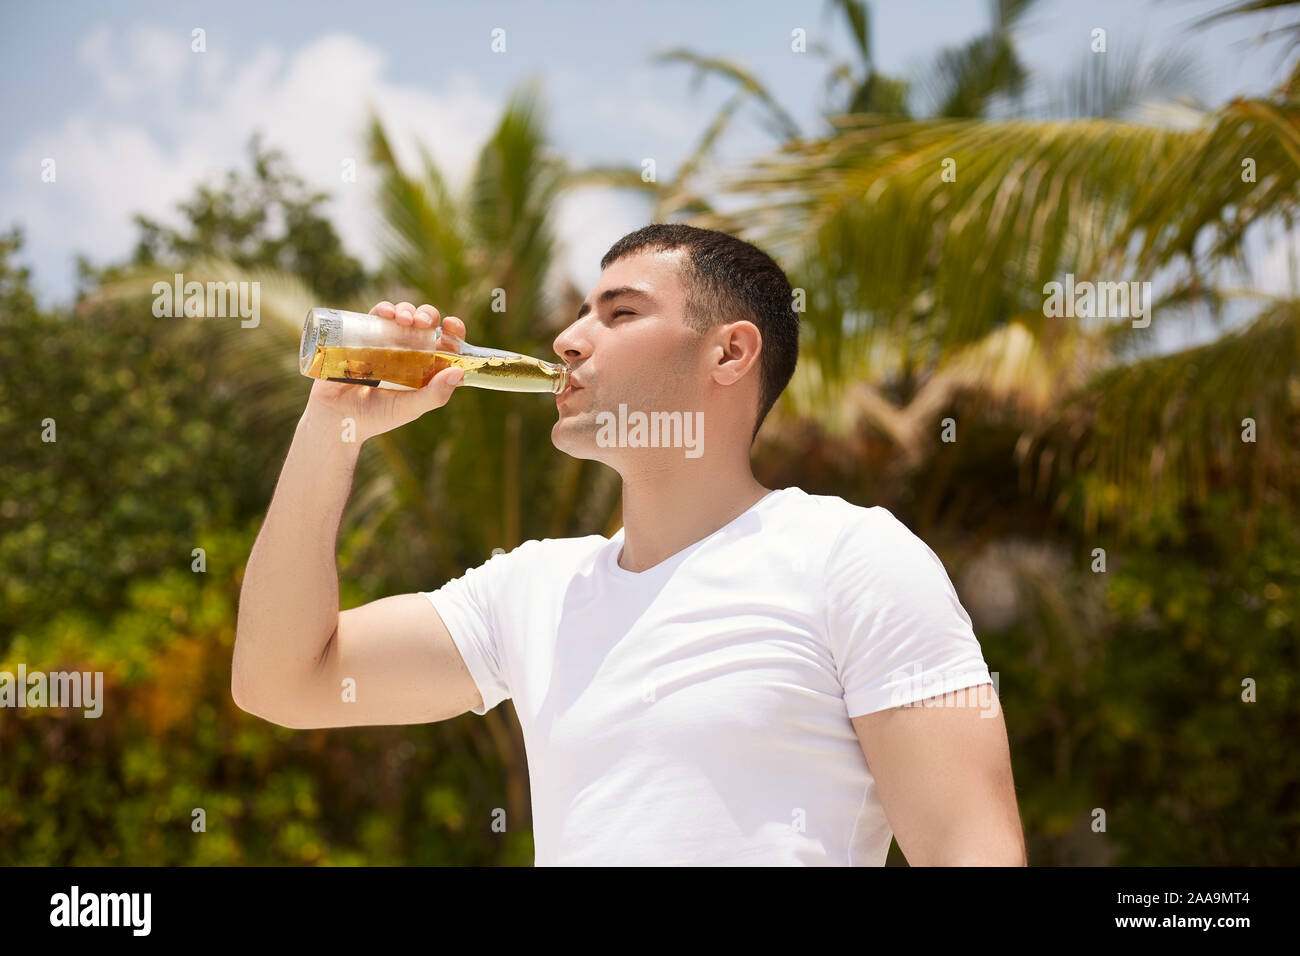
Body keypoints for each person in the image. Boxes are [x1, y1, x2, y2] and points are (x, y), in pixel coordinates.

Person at [232, 223, 1027, 866]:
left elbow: (971, 849)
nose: (570, 341)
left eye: (619, 314)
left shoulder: (851, 559)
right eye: (580, 314)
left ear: (729, 352)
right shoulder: (532, 590)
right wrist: (331, 426)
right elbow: (282, 681)